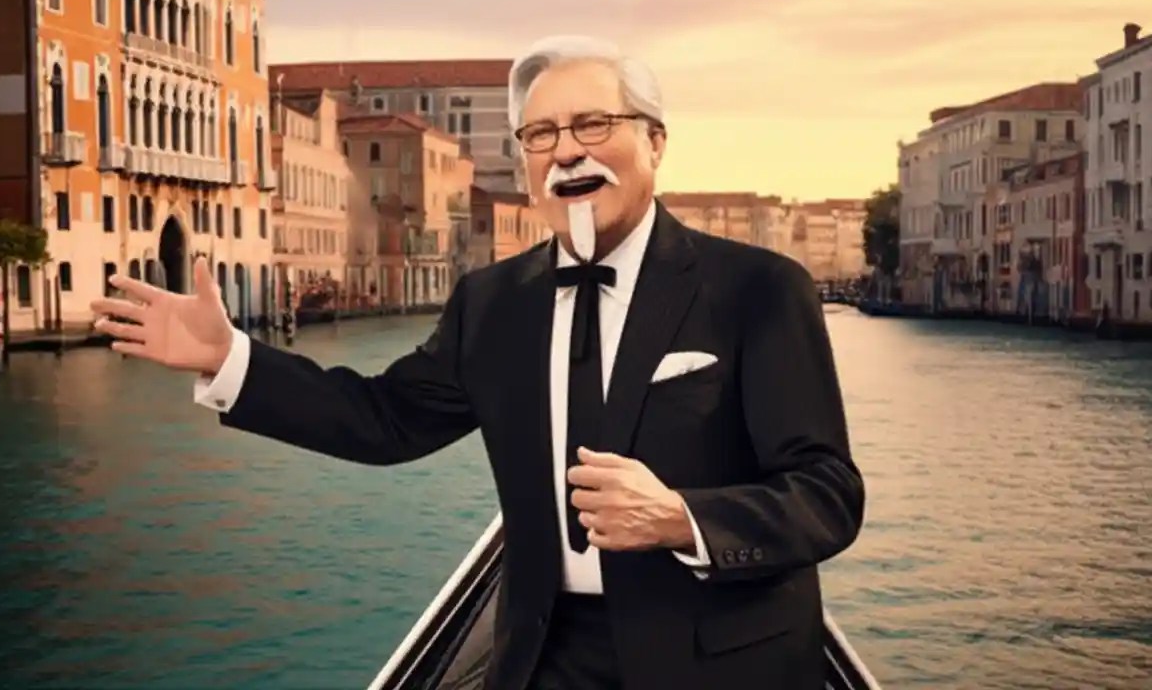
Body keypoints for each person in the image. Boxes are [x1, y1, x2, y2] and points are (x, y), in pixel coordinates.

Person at [90, 35, 865, 690]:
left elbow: (827, 495)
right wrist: (233, 360)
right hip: (544, 657)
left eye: (592, 124)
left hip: (721, 663)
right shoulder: (495, 301)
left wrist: (680, 518)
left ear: (654, 140)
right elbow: (385, 420)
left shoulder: (759, 289)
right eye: (541, 135)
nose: (566, 151)